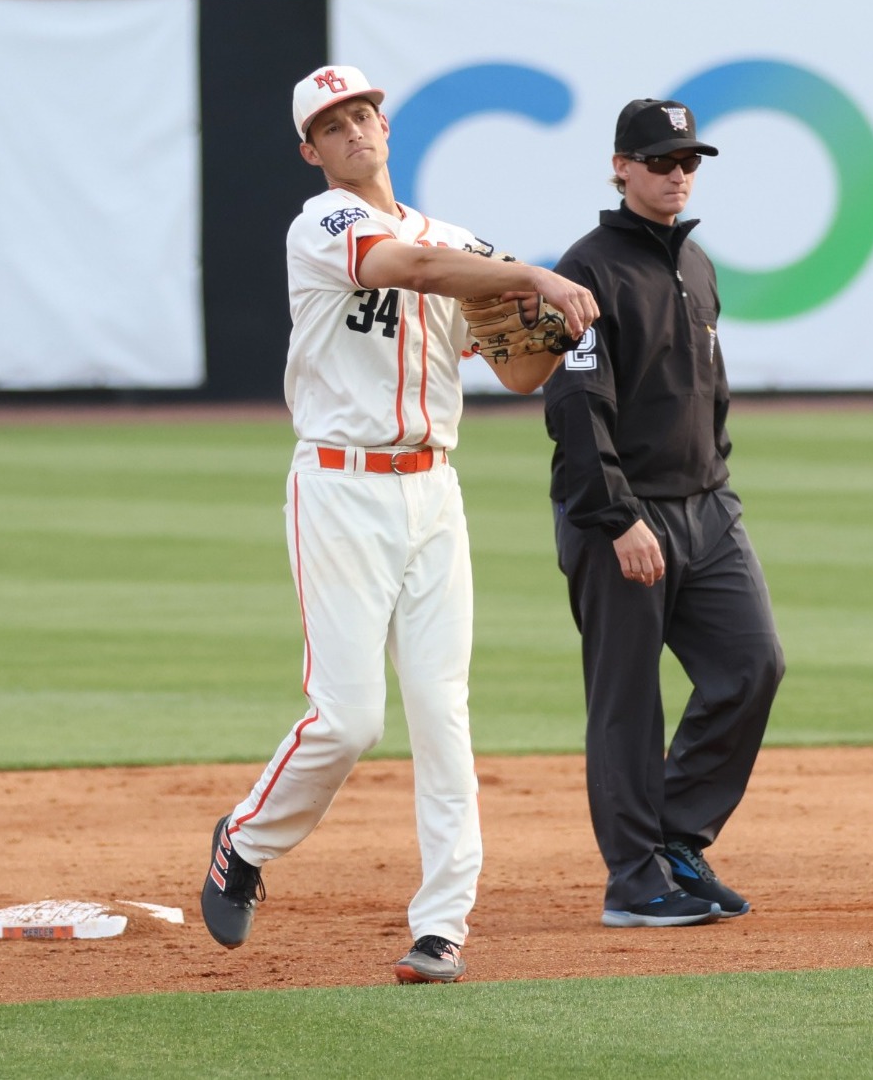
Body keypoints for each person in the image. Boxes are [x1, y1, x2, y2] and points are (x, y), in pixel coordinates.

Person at [199, 64, 598, 983]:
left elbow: (520, 373)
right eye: (333, 123)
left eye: (364, 111)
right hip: (339, 486)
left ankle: (442, 927)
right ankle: (246, 840)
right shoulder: (324, 224)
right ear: (312, 150)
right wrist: (533, 271)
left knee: (441, 713)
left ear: (385, 122)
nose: (355, 128)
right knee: (346, 722)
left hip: (433, 492)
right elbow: (407, 268)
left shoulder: (457, 240)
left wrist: (556, 324)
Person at [541, 98, 786, 928]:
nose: (676, 174)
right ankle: (632, 880)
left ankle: (676, 838)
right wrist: (616, 519)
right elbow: (576, 410)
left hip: (707, 510)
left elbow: (707, 393)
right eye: (659, 161)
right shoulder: (587, 271)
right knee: (626, 702)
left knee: (752, 666)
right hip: (622, 516)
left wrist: (715, 485)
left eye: (688, 161)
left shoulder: (698, 264)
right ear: (620, 166)